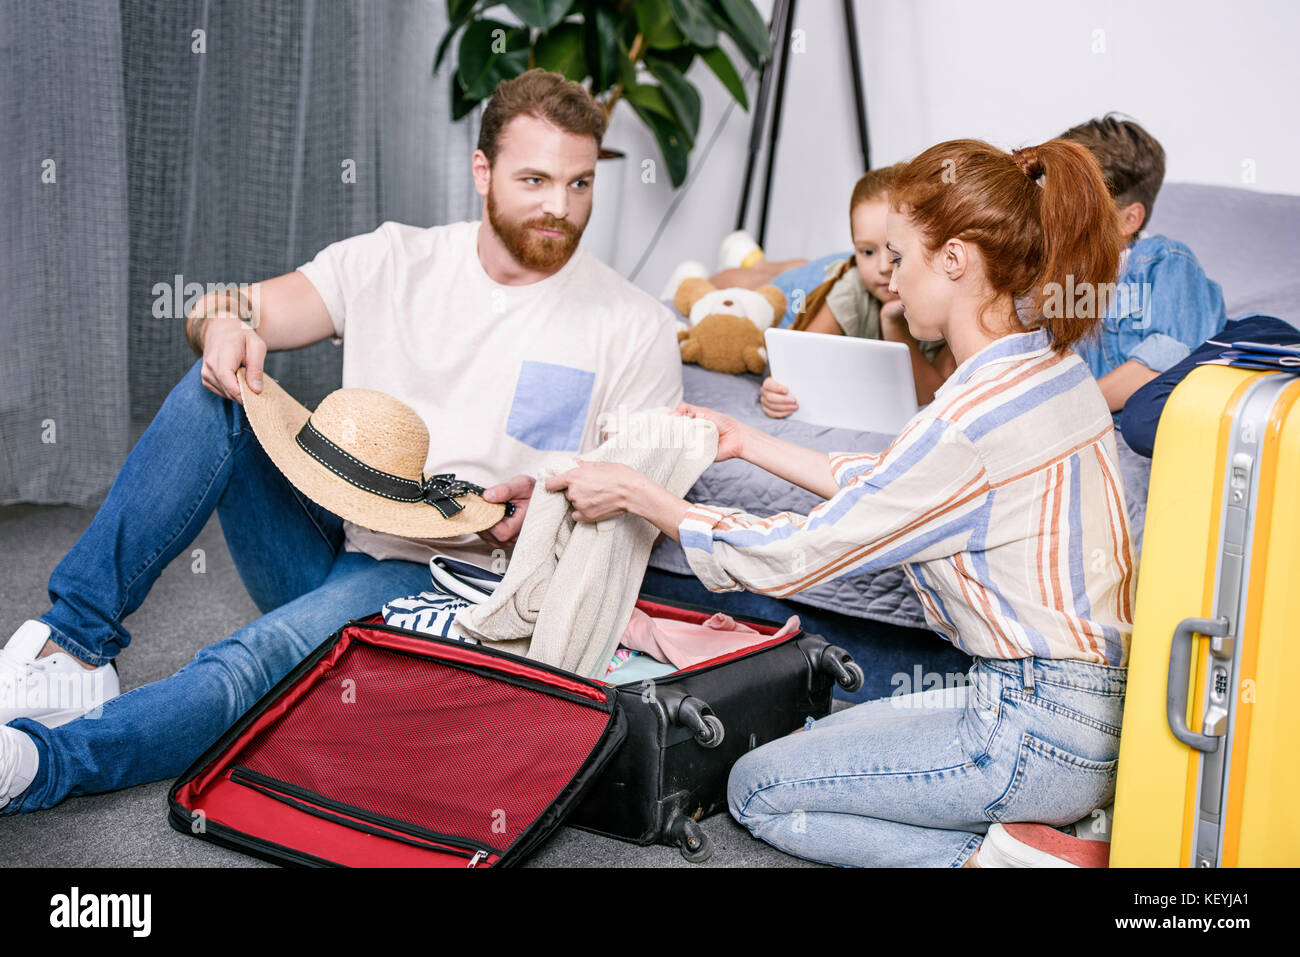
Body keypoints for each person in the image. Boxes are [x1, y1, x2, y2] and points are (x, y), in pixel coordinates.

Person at [0, 69, 682, 814]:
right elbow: (226, 306)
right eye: (535, 179)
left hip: (458, 589)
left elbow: (631, 529)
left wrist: (541, 526)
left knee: (253, 656)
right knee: (217, 395)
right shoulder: (393, 260)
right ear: (481, 171)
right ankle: (69, 646)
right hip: (346, 544)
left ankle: (40, 764)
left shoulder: (634, 326)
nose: (560, 206)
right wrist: (223, 327)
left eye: (580, 184)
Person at [547, 136, 1137, 867]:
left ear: (955, 260)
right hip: (1100, 719)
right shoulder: (1052, 369)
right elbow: (900, 487)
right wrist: (749, 441)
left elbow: (799, 553)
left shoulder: (965, 422)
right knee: (822, 748)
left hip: (1029, 729)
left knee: (758, 789)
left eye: (902, 256)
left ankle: (996, 862)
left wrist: (650, 498)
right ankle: (1057, 829)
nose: (891, 278)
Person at [1060, 114, 1228, 418]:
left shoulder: (1165, 262)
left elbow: (1159, 362)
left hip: (1126, 419)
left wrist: (1063, 413)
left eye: (1076, 207)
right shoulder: (1063, 275)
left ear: (1129, 220)